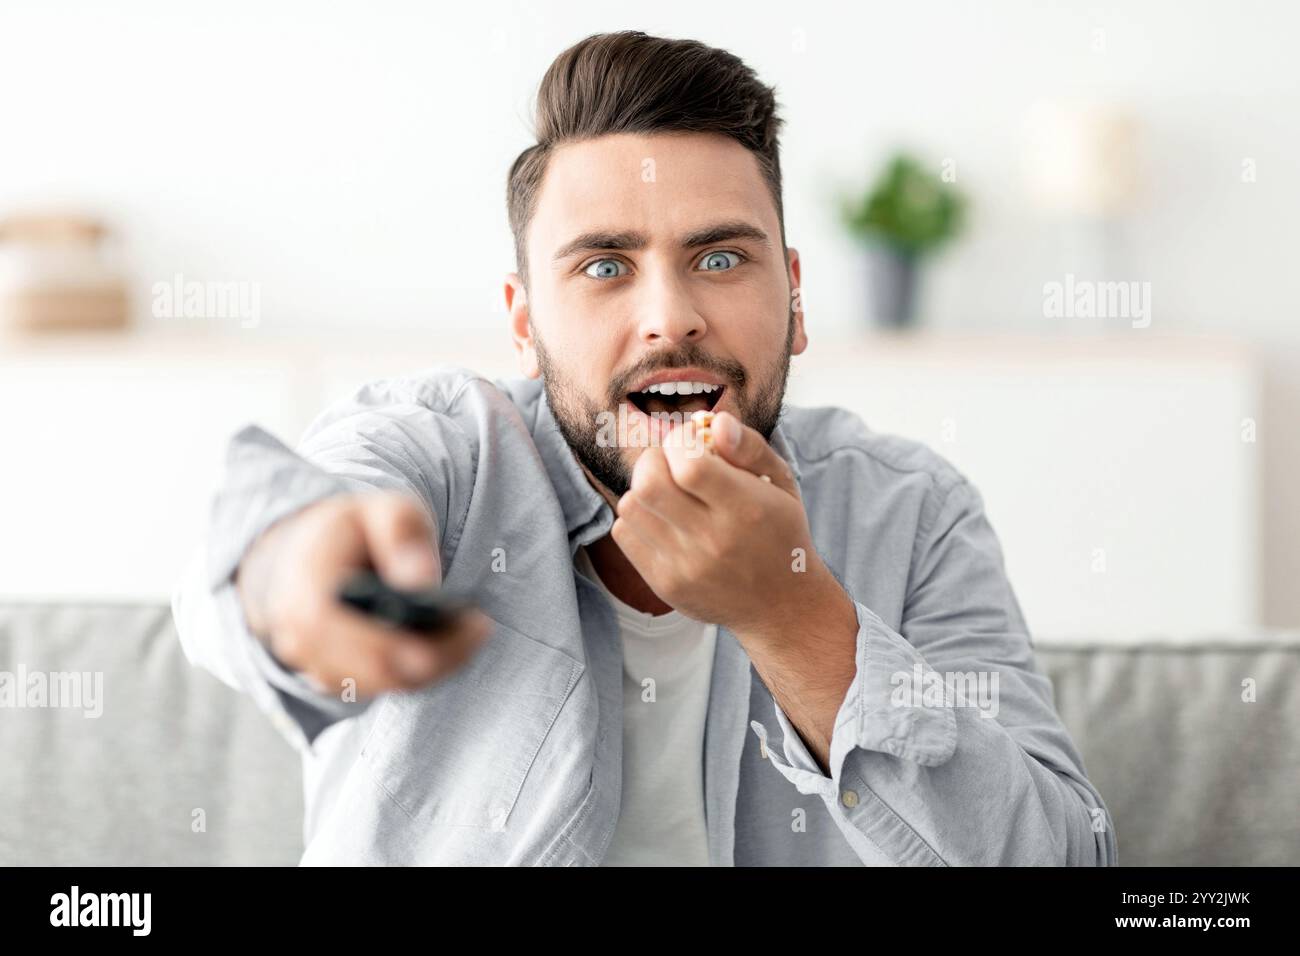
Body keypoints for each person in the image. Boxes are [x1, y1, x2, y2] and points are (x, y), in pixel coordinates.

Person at [173, 30, 1116, 866]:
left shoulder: (911, 514)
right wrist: (292, 571)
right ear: (523, 319)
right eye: (605, 267)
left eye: (719, 258)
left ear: (794, 298)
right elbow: (274, 530)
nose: (670, 320)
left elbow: (1066, 861)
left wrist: (795, 617)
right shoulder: (449, 457)